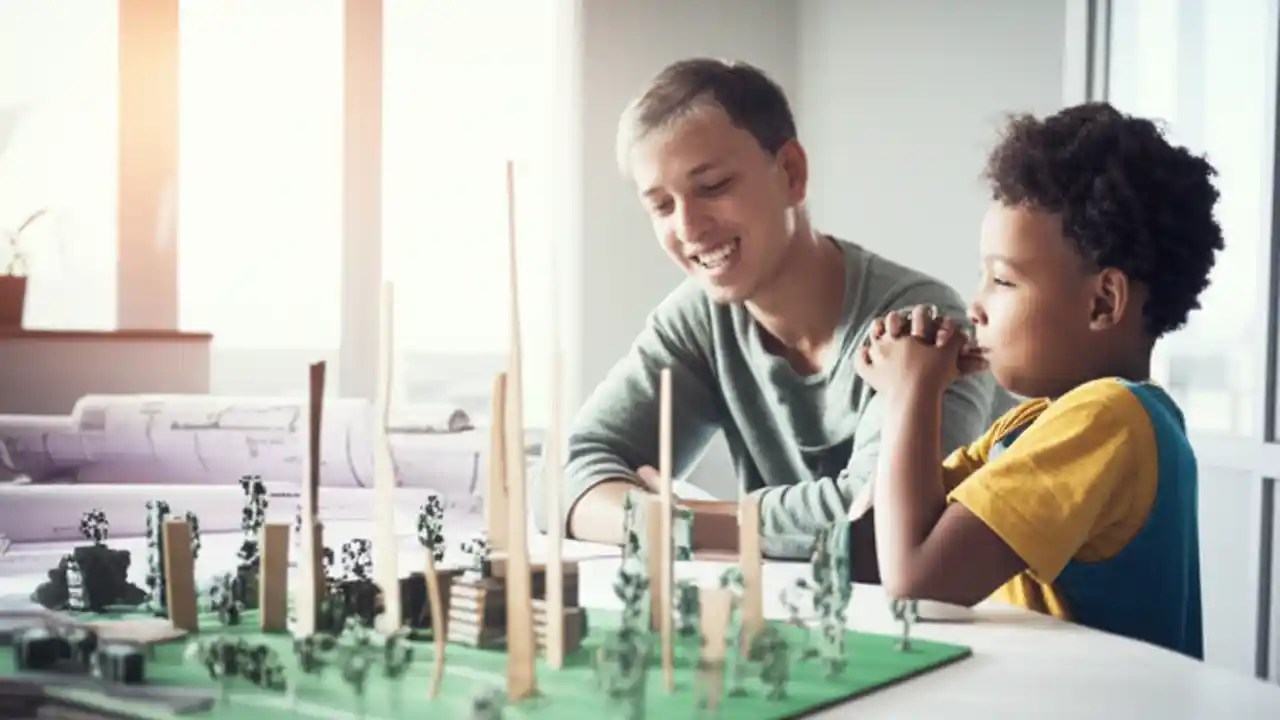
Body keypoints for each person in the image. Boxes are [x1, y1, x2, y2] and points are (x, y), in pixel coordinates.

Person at [537, 57, 1004, 560]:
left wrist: (682, 521)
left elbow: (878, 523)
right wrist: (679, 523)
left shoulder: (925, 327)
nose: (688, 227)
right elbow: (561, 482)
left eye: (713, 187)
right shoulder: (699, 318)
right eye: (662, 206)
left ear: (791, 174)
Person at [856, 102, 1220, 658]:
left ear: (1103, 302)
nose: (975, 306)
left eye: (1003, 280)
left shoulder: (1108, 419)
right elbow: (872, 539)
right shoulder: (1032, 424)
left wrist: (911, 392)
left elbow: (918, 585)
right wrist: (908, 388)